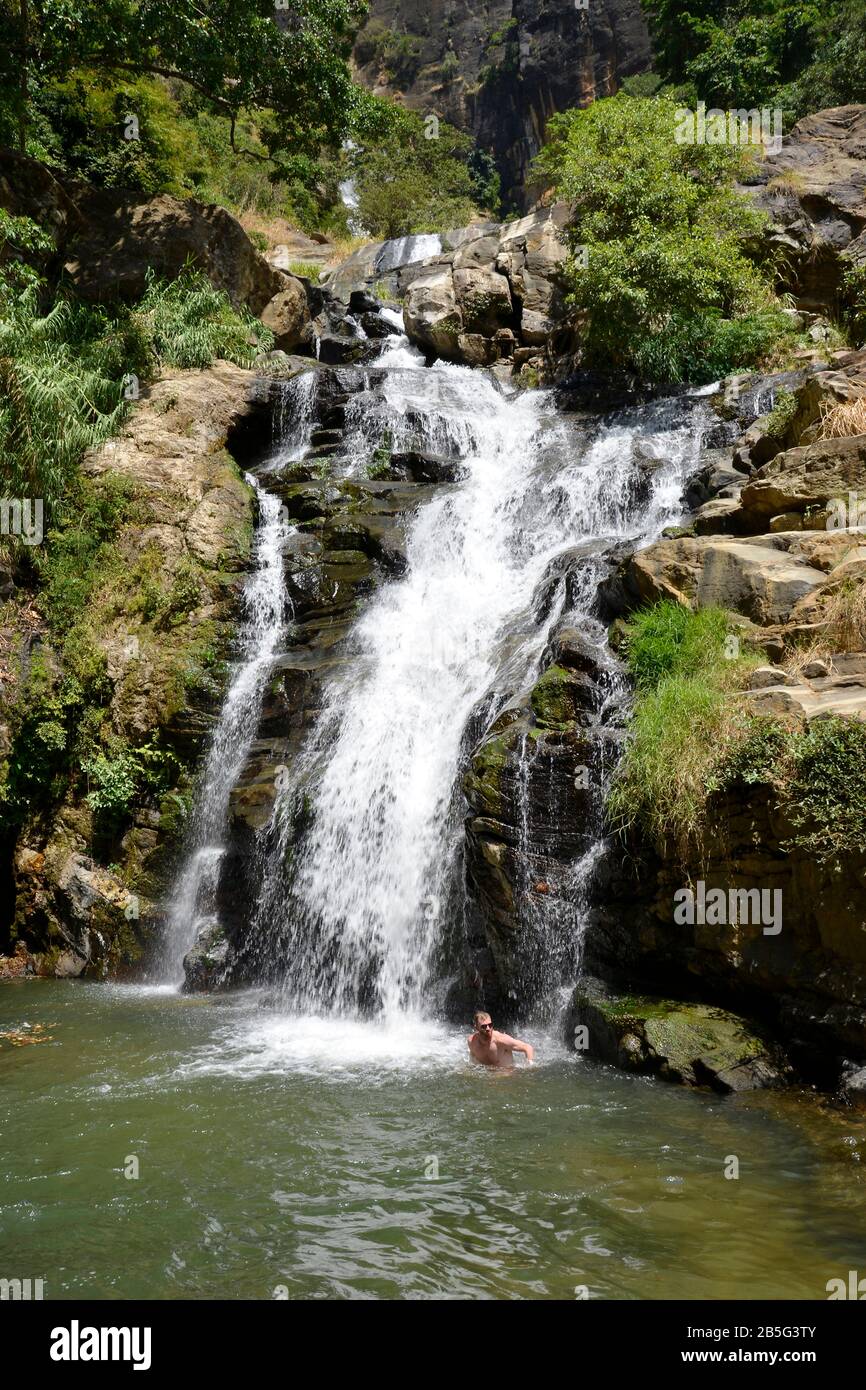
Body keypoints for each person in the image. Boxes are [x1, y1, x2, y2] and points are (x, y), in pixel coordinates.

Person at [467, 1011, 534, 1068]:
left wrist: (530, 1064)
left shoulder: (501, 1040)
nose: (488, 1028)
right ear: (476, 1027)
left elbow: (527, 1047)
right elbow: (473, 1058)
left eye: (490, 1025)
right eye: (484, 1026)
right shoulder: (472, 1041)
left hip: (506, 1077)